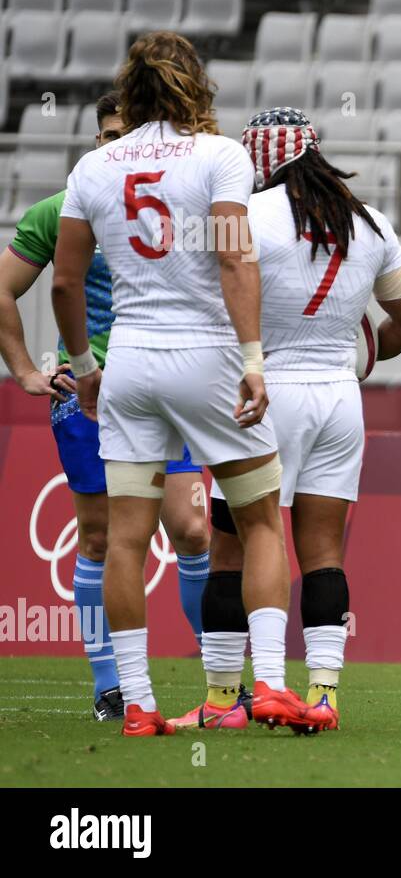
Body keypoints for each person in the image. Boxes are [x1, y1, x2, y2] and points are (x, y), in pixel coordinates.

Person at [50, 31, 320, 736]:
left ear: (130, 92)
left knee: (126, 539)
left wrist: (83, 370)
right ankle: (270, 688)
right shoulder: (220, 156)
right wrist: (255, 359)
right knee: (260, 519)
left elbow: (66, 281)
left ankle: (137, 705)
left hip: (130, 365)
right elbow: (236, 262)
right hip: (206, 358)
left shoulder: (94, 166)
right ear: (196, 85)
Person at [172, 107, 401, 731]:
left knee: (232, 550)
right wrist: (359, 354)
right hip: (340, 398)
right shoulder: (370, 222)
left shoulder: (246, 217)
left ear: (259, 155)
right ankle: (324, 696)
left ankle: (225, 700)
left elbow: (206, 299)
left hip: (264, 396)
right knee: (323, 554)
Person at [0, 91, 210, 722]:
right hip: (92, 395)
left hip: (170, 387)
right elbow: (5, 292)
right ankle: (110, 688)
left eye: (131, 134)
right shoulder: (60, 211)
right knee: (99, 538)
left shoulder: (182, 204)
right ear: (97, 142)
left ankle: (222, 685)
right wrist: (27, 371)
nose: (120, 145)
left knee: (195, 531)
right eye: (110, 135)